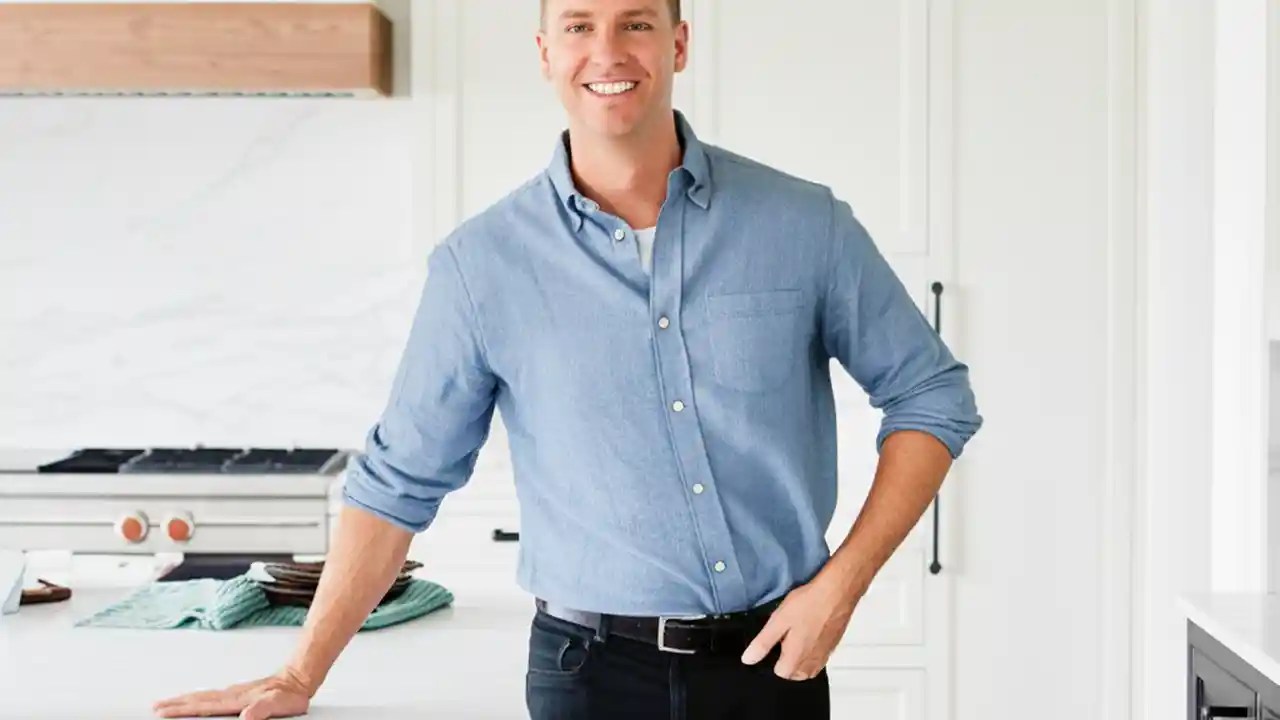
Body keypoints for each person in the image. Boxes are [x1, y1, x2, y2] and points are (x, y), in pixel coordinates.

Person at [152, 0, 983, 717]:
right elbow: (399, 482)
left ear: (679, 44)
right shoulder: (482, 267)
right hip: (587, 678)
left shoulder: (804, 225)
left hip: (775, 666)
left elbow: (932, 395)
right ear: (545, 51)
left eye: (635, 24)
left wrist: (841, 585)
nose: (609, 50)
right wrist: (302, 671)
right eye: (579, 24)